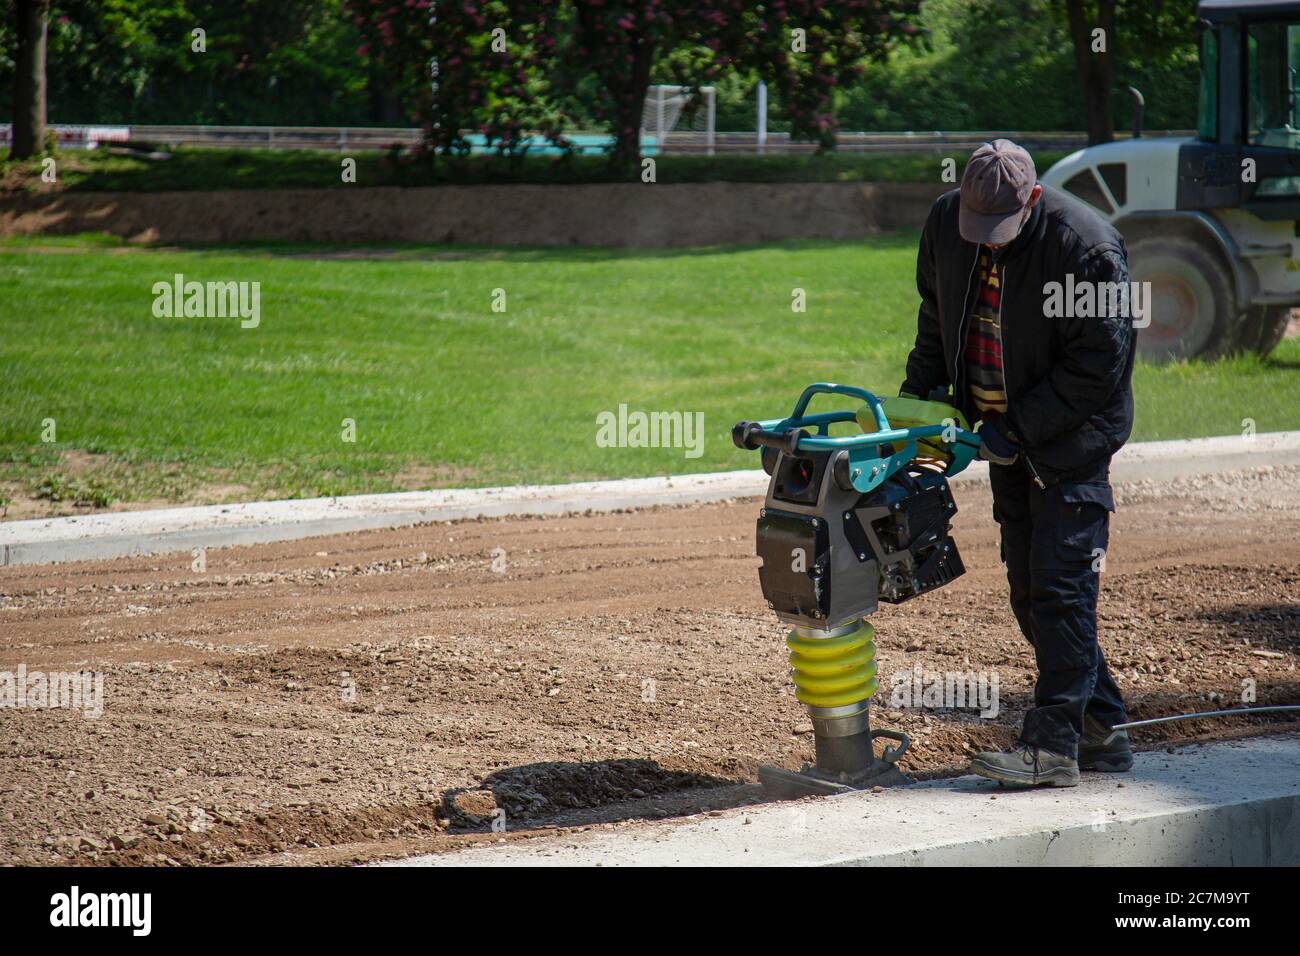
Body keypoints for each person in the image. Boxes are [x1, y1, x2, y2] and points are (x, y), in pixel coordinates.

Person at [901, 139, 1137, 787]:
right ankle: (1101, 725)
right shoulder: (951, 224)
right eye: (979, 230)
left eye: (1000, 231)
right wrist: (918, 400)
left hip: (1072, 445)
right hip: (1001, 435)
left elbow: (1099, 367)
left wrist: (1018, 428)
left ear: (1033, 198)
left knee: (1061, 590)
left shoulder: (1086, 249)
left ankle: (1052, 749)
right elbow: (936, 314)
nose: (988, 243)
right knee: (1031, 594)